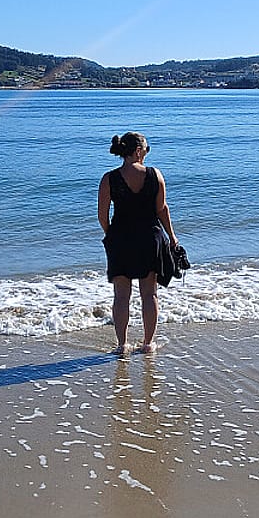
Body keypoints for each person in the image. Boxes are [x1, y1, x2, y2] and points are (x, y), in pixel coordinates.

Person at [98, 131, 181, 355]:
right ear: (137, 151)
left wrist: (111, 235)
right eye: (146, 150)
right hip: (150, 238)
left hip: (121, 239)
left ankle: (122, 344)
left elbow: (102, 216)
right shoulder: (155, 175)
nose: (146, 154)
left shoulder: (109, 179)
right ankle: (148, 343)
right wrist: (172, 237)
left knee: (121, 296)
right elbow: (161, 209)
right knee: (149, 294)